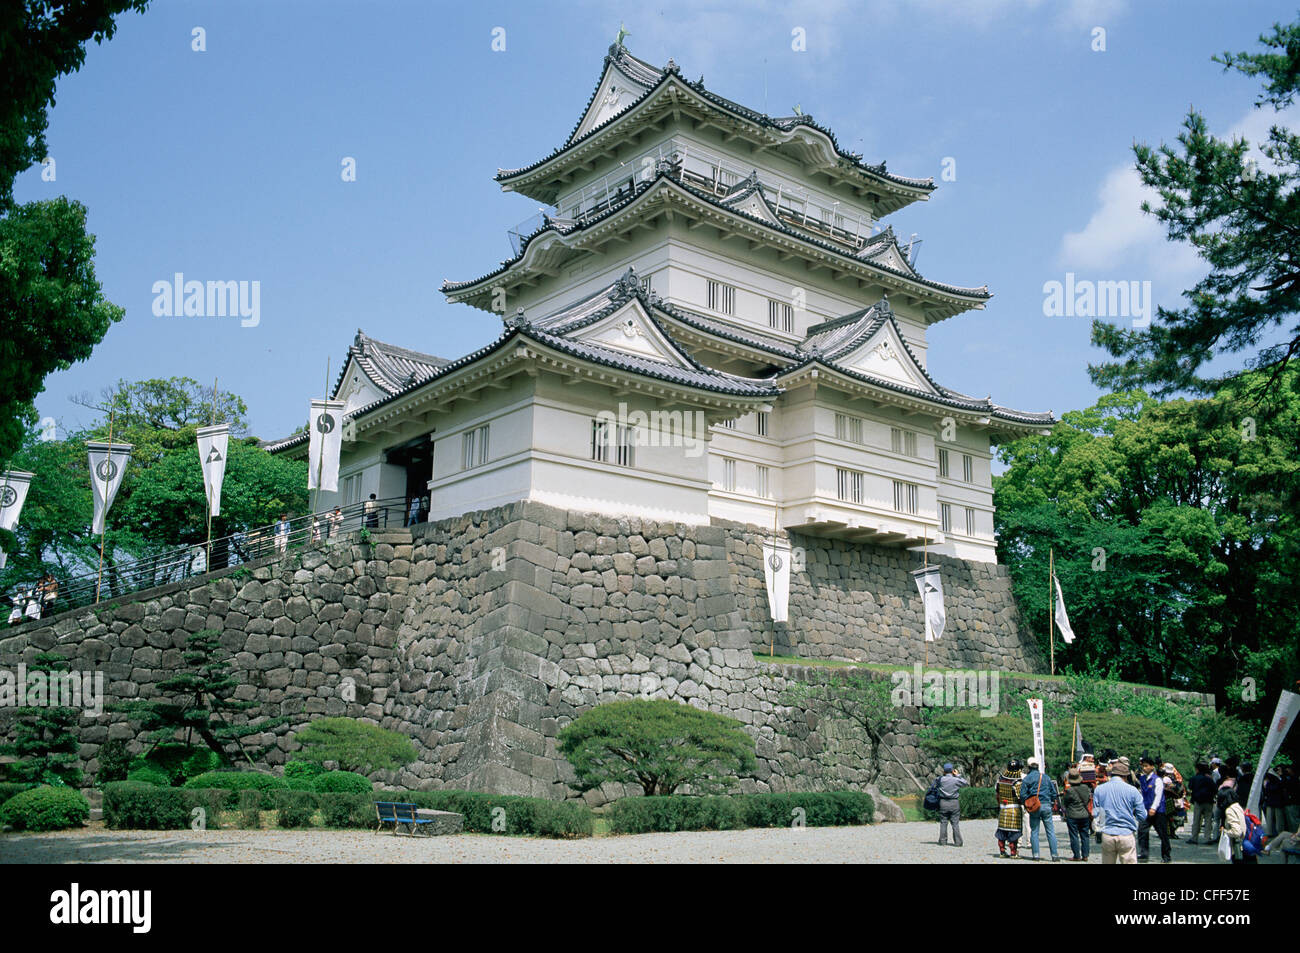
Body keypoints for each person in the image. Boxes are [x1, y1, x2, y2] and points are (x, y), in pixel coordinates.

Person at [1093, 760, 1147, 863]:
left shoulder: (1099, 789)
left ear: (1111, 774)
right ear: (1126, 776)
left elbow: (1097, 814)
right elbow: (1142, 816)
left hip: (1107, 834)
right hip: (1126, 833)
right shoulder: (1133, 790)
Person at [1020, 757, 1061, 861]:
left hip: (1034, 807)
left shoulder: (1026, 779)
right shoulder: (1046, 777)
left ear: (1029, 767)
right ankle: (1055, 855)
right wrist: (1051, 802)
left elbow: (1023, 795)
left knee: (1034, 831)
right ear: (1038, 766)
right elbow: (1053, 793)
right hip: (1046, 805)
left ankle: (1036, 855)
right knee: (1050, 831)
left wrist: (1027, 804)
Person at [1137, 756, 1171, 863]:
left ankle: (1166, 856)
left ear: (1152, 767)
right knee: (1142, 830)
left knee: (1162, 834)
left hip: (1158, 810)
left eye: (1146, 766)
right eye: (1143, 766)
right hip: (1145, 809)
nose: (1144, 768)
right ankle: (1144, 853)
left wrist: (1153, 808)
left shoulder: (1157, 780)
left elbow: (1158, 795)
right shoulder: (1142, 779)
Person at [995, 758, 1026, 858]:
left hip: (1003, 809)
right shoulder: (1017, 782)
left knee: (1002, 831)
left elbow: (997, 794)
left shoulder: (1000, 780)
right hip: (1014, 809)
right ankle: (1013, 853)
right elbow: (1020, 797)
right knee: (1014, 833)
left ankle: (1002, 851)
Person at [1219, 785, 1256, 864]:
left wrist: (1225, 831)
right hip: (1247, 844)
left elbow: (1236, 831)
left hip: (1239, 847)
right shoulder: (1238, 806)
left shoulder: (1229, 810)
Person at [1062, 767, 1093, 861]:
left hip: (1072, 815)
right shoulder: (1086, 788)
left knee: (1074, 835)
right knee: (1085, 835)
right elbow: (1088, 800)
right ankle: (1085, 855)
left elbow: (1065, 803)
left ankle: (1077, 855)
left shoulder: (1069, 790)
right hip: (1084, 814)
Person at [934, 762, 968, 847]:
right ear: (953, 770)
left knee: (943, 822)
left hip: (943, 802)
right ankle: (958, 842)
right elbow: (965, 783)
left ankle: (943, 841)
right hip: (954, 802)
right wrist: (957, 775)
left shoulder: (940, 779)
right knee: (955, 823)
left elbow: (934, 786)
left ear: (944, 771)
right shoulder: (956, 780)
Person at [1188, 762, 1217, 845]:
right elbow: (1215, 789)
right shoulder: (1209, 779)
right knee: (1208, 820)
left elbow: (1190, 787)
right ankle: (1207, 838)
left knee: (1196, 819)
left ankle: (1194, 838)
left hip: (1198, 801)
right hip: (1209, 801)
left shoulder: (1194, 778)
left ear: (1197, 769)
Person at [1262, 768, 1287, 838]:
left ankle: (1270, 832)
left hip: (1271, 802)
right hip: (1277, 802)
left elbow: (1266, 791)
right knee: (1279, 820)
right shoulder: (1279, 782)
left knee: (1270, 818)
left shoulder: (1269, 783)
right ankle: (1280, 832)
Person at [1283, 764, 1300, 834]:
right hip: (1292, 802)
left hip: (1293, 802)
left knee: (1294, 819)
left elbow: (1288, 787)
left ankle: (1296, 833)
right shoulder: (1293, 779)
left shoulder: (1294, 779)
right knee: (1291, 820)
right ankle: (1294, 833)